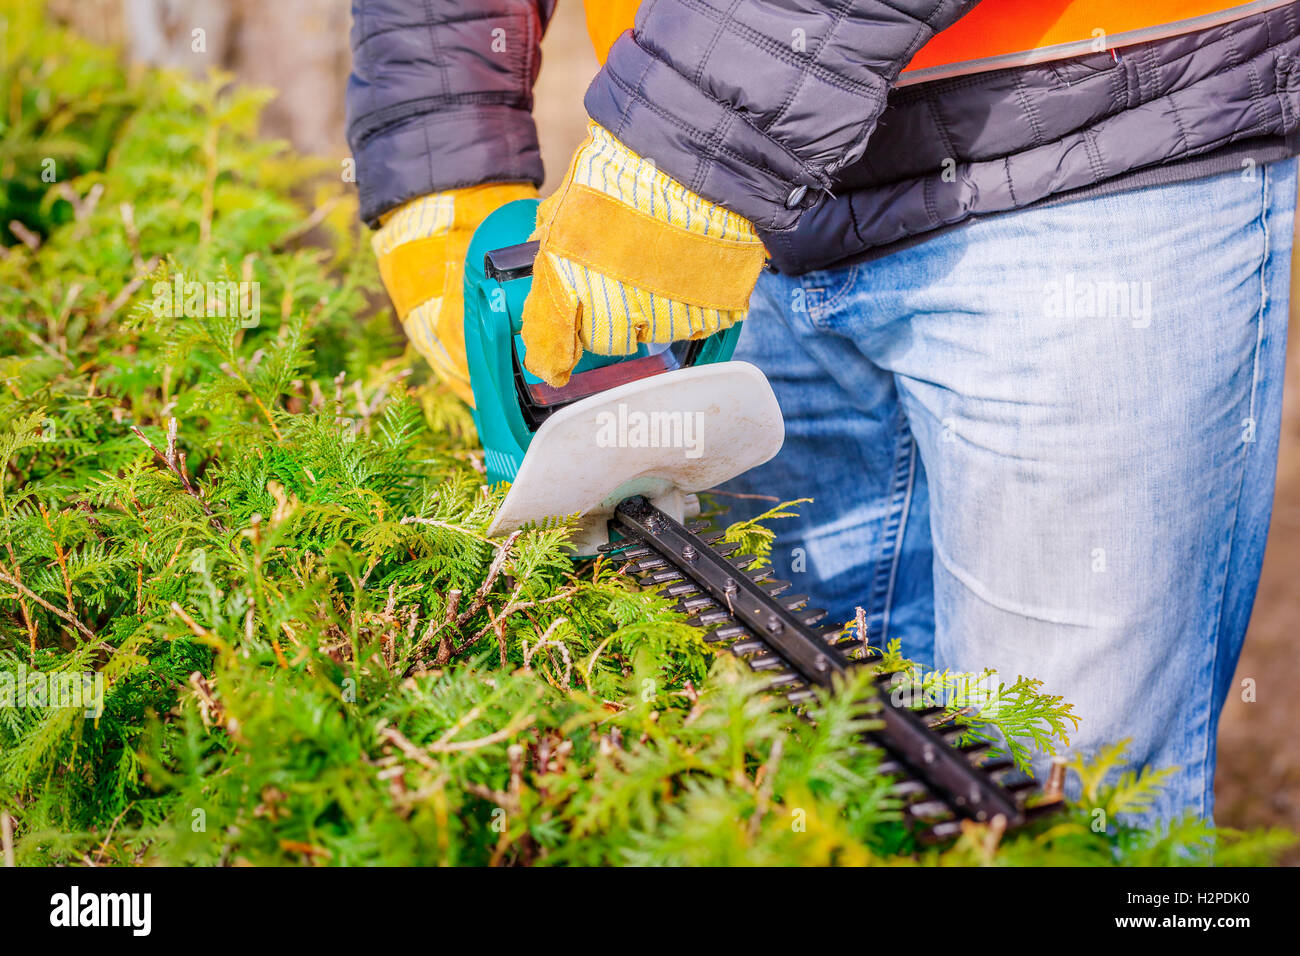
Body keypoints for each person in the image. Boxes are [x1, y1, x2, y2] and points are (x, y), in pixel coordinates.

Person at [347, 0, 1300, 824]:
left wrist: (702, 125)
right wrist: (443, 132)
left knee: (1067, 789)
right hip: (749, 198)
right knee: (809, 772)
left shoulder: (703, 133)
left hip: (1097, 135)